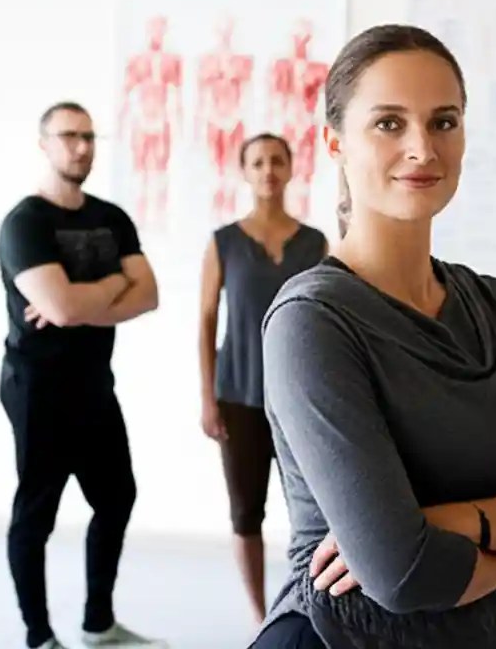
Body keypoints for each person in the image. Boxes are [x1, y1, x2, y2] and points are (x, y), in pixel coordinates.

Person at [250, 24, 496, 648]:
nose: (422, 148)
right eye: (389, 123)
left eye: (444, 121)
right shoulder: (312, 321)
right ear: (333, 142)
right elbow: (402, 573)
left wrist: (448, 521)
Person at [0, 101, 165, 649]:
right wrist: (113, 282)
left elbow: (150, 295)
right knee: (36, 514)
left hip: (94, 382)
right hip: (36, 388)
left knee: (117, 498)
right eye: (69, 136)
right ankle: (38, 636)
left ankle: (98, 624)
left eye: (90, 136)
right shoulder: (25, 223)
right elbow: (64, 308)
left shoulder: (111, 217)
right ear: (43, 143)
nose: (82, 146)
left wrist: (75, 298)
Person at [197, 133, 329, 625]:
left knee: (315, 512)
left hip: (302, 398)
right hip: (238, 395)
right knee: (246, 511)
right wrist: (208, 399)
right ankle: (260, 619)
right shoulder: (224, 242)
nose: (268, 169)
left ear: (292, 168)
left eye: (277, 160)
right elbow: (207, 320)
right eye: (258, 162)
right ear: (245, 172)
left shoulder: (315, 243)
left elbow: (326, 318)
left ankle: (311, 607)